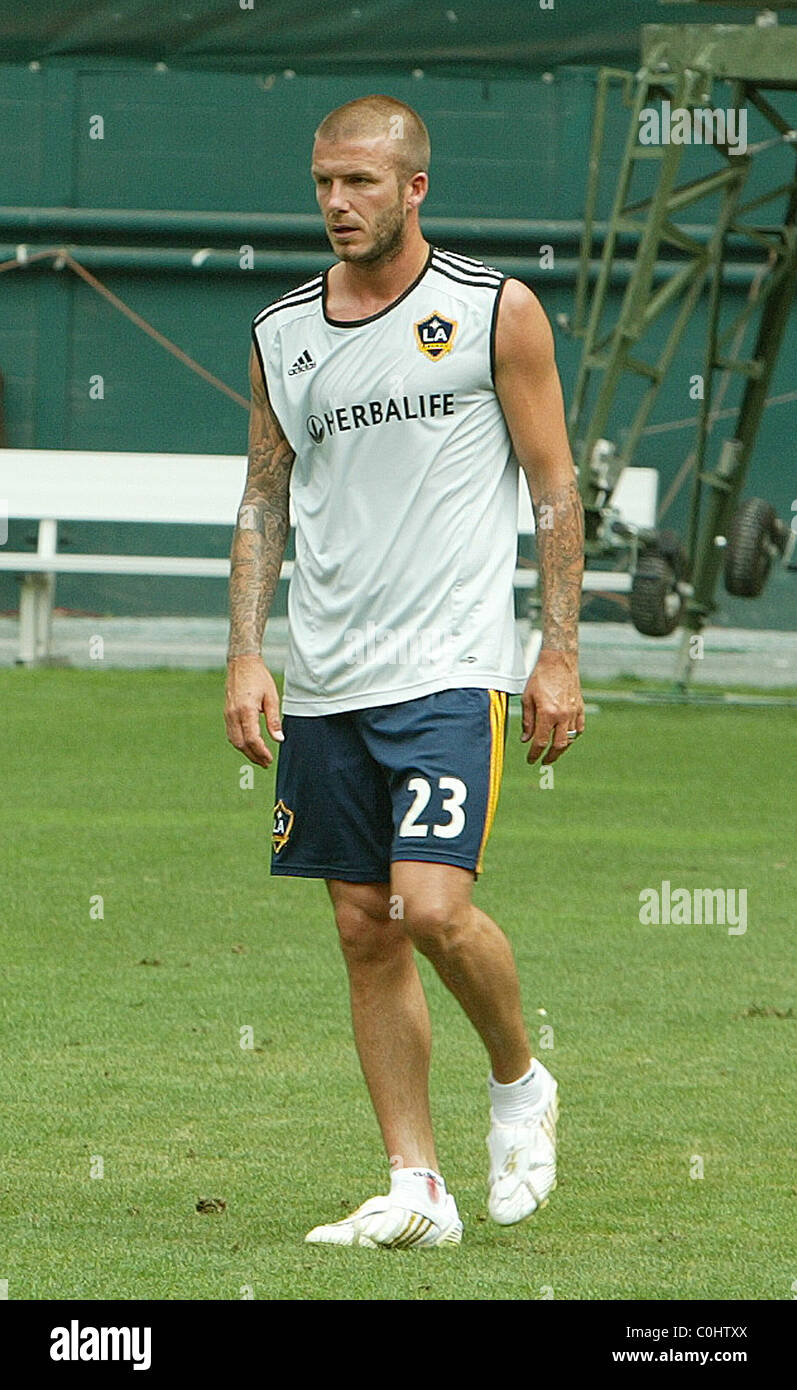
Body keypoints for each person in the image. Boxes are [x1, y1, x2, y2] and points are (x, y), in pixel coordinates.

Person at [225, 94, 584, 1249]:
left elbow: (553, 486)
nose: (337, 201)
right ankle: (414, 1187)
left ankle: (519, 1079)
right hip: (327, 680)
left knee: (429, 907)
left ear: (414, 187)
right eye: (324, 181)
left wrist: (558, 650)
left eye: (361, 183)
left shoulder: (492, 312)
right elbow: (263, 498)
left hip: (450, 669)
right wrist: (245, 651)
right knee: (361, 928)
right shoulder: (282, 332)